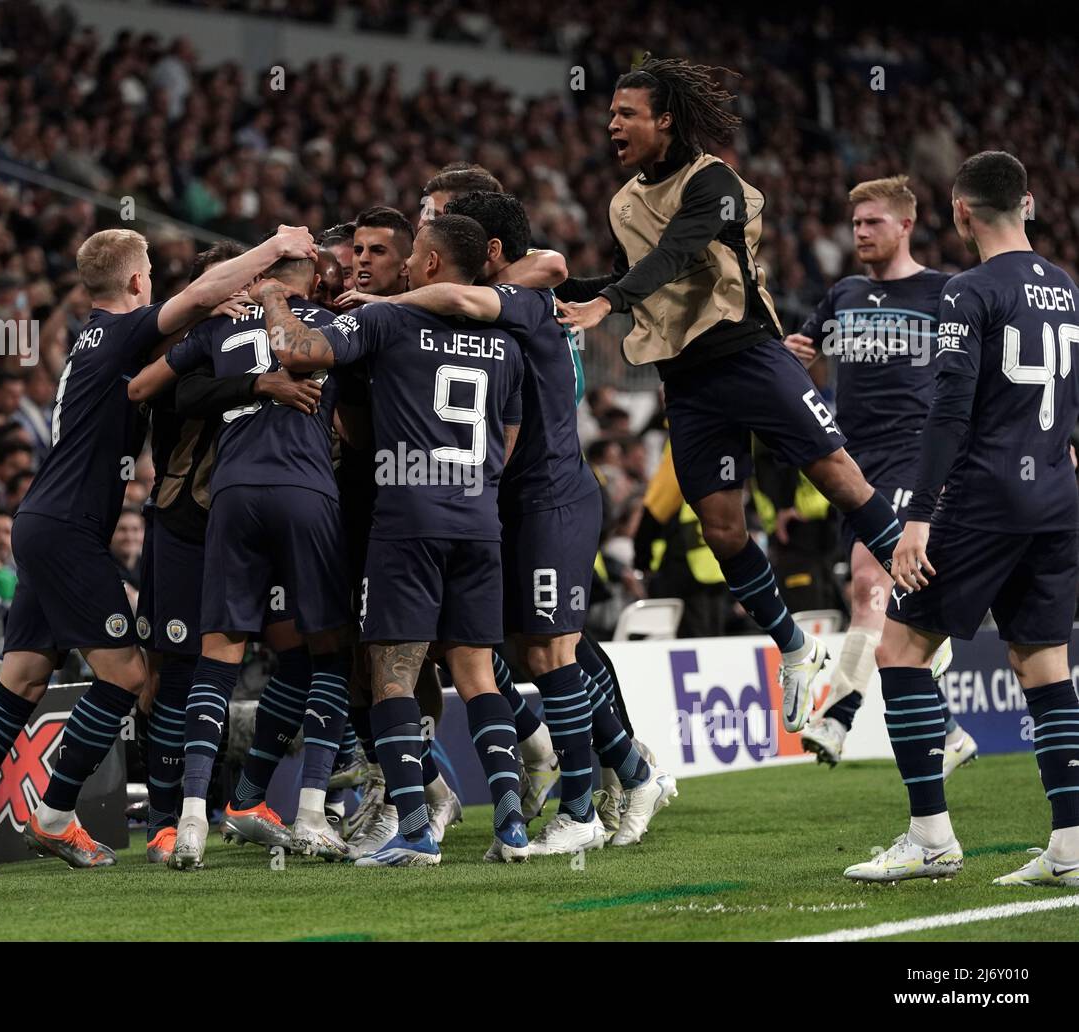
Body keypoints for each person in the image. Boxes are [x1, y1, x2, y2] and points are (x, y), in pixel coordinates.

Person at [0, 223, 317, 878]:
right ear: (136, 281)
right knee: (127, 675)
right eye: (151, 273)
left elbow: (186, 316)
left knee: (22, 678)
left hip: (42, 520)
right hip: (69, 527)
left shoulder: (95, 339)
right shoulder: (122, 329)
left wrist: (208, 310)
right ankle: (54, 813)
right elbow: (201, 292)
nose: (156, 284)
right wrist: (273, 248)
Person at [554, 57, 914, 735]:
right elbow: (635, 271)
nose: (612, 126)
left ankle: (928, 598)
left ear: (665, 120)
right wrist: (558, 292)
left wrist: (609, 302)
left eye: (626, 114)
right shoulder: (624, 202)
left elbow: (681, 255)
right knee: (721, 528)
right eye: (609, 115)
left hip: (749, 354)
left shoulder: (713, 181)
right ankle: (798, 649)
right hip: (685, 380)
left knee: (837, 475)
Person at [350, 190, 675, 853]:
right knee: (507, 648)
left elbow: (532, 272)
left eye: (425, 235)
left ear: (487, 252)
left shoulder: (515, 300)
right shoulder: (492, 308)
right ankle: (604, 768)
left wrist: (382, 306)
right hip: (500, 505)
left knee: (551, 651)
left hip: (550, 496)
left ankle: (584, 804)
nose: (419, 247)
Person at [261, 213, 531, 867]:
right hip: (478, 521)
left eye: (412, 260)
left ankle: (414, 830)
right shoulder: (508, 343)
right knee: (476, 675)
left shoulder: (391, 321)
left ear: (433, 264)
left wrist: (272, 296)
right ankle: (513, 827)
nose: (403, 269)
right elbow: (508, 440)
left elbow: (298, 352)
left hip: (408, 523)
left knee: (390, 674)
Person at [843, 151, 1079, 888]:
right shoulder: (1066, 287)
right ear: (1029, 204)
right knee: (1042, 663)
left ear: (959, 212)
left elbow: (949, 408)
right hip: (1057, 495)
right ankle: (1071, 848)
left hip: (985, 495)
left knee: (900, 652)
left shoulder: (969, 290)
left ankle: (931, 838)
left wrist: (916, 517)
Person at [126, 242, 329, 864]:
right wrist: (257, 381)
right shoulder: (188, 334)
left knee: (295, 647)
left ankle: (243, 799)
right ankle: (168, 818)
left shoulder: (272, 325)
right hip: (188, 520)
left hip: (242, 514)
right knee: (177, 669)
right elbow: (170, 396)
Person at [785, 175, 973, 768]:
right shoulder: (841, 294)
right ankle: (947, 733)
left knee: (870, 584)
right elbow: (806, 368)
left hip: (913, 457)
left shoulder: (945, 291)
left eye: (873, 222)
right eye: (856, 223)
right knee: (873, 598)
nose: (861, 232)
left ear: (906, 225)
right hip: (851, 462)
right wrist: (798, 360)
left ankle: (837, 718)